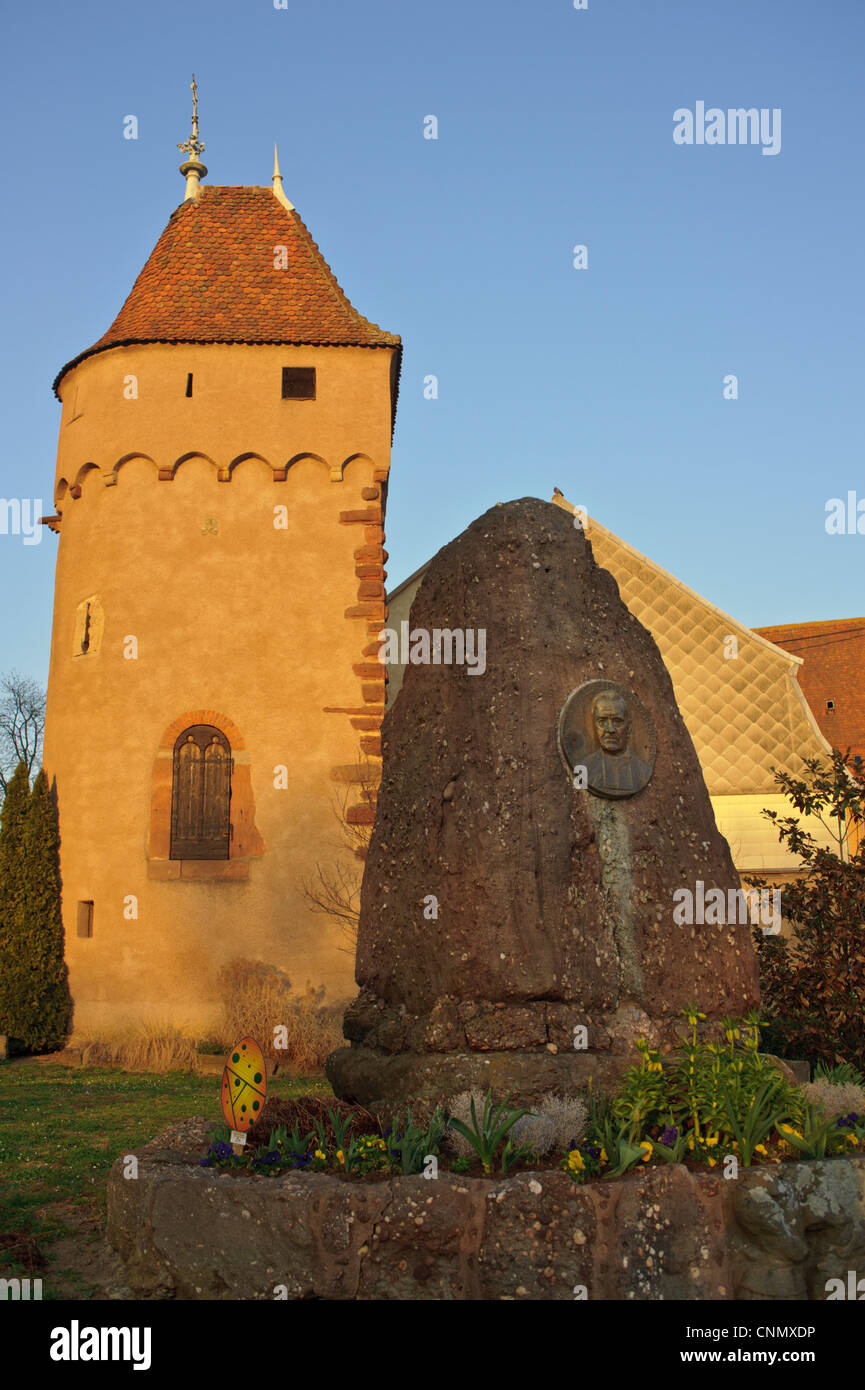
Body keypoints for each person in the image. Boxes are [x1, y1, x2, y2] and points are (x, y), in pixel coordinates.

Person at [582, 690, 652, 798]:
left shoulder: (642, 772)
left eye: (617, 721)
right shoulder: (585, 768)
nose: (610, 729)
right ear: (593, 725)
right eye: (602, 721)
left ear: (629, 727)